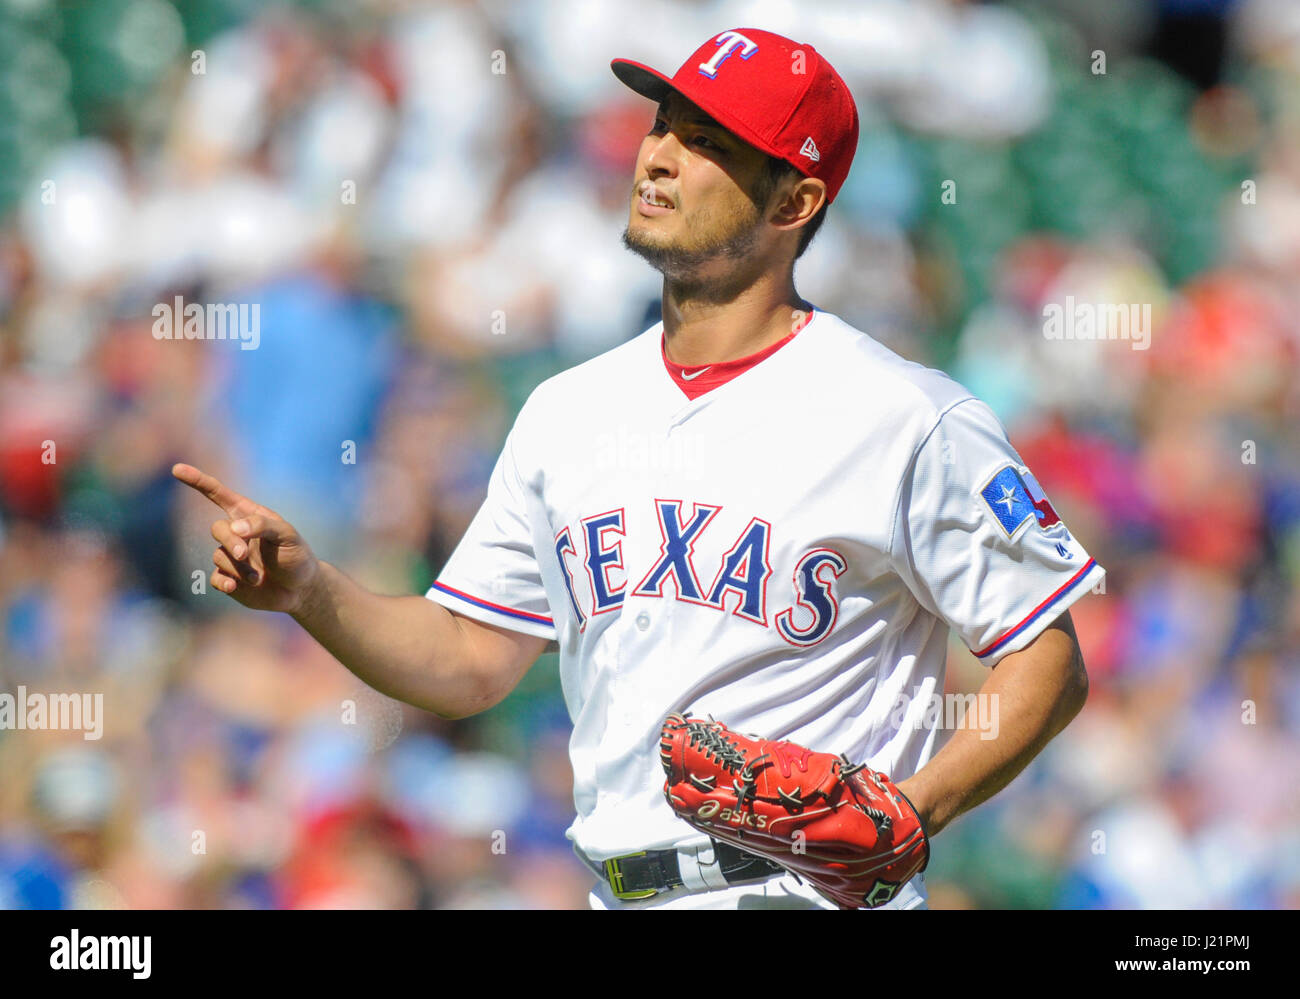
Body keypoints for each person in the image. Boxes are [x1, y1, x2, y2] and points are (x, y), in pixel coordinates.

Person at [174, 27, 1104, 910]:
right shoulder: (565, 411)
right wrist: (312, 592)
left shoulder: (906, 415)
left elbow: (1046, 660)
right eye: (663, 123)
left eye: (707, 142)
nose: (657, 155)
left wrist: (914, 811)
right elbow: (468, 662)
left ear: (794, 201)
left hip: (805, 895)